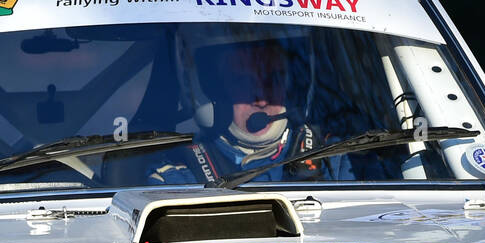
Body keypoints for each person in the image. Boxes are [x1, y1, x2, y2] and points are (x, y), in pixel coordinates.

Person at [148, 27, 355, 185]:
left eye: (273, 79)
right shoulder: (174, 176)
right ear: (216, 91)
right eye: (244, 83)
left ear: (292, 87)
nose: (261, 100)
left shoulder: (333, 160)